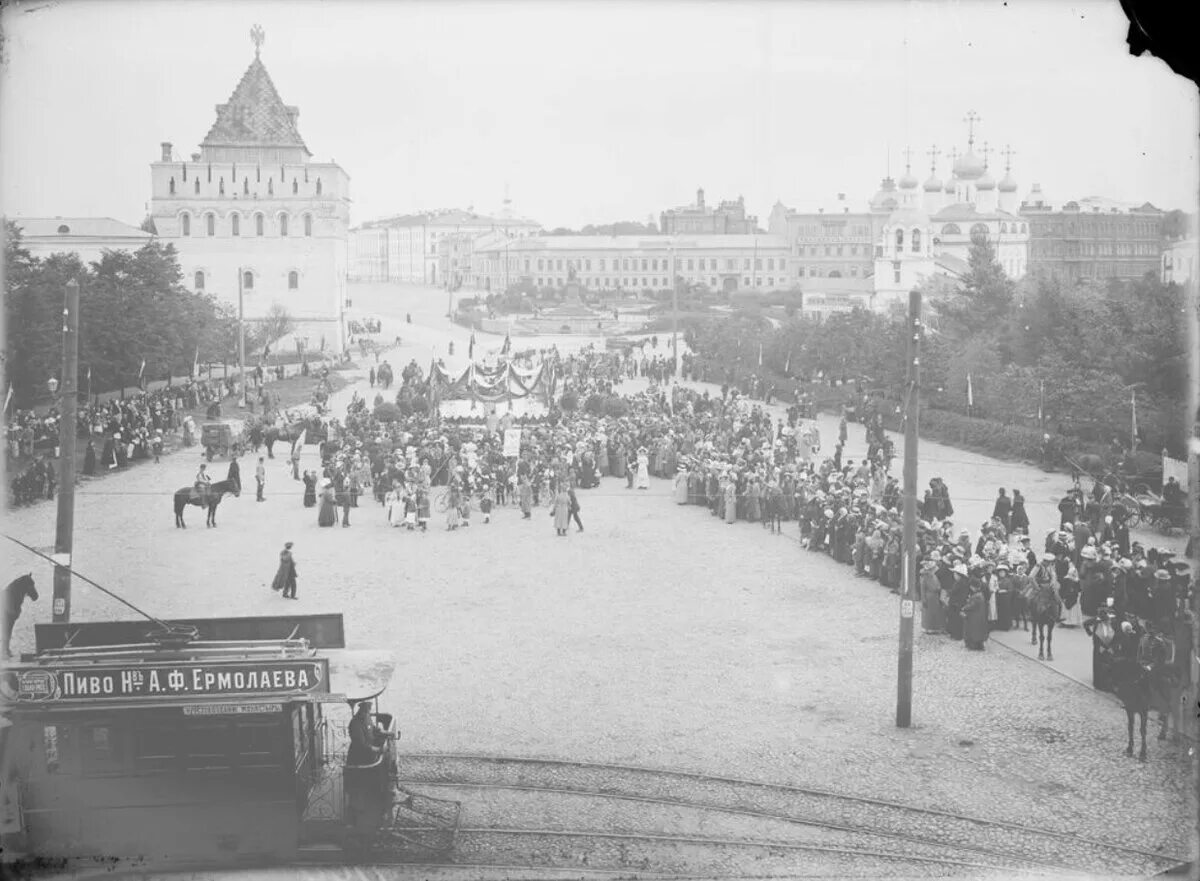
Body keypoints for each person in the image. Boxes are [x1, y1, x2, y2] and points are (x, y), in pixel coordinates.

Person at [347, 701, 387, 766]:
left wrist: (384, 732)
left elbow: (372, 728)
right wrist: (379, 749)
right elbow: (361, 745)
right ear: (361, 710)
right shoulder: (355, 724)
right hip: (359, 756)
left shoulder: (367, 716)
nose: (367, 713)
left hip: (370, 750)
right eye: (365, 711)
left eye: (368, 710)